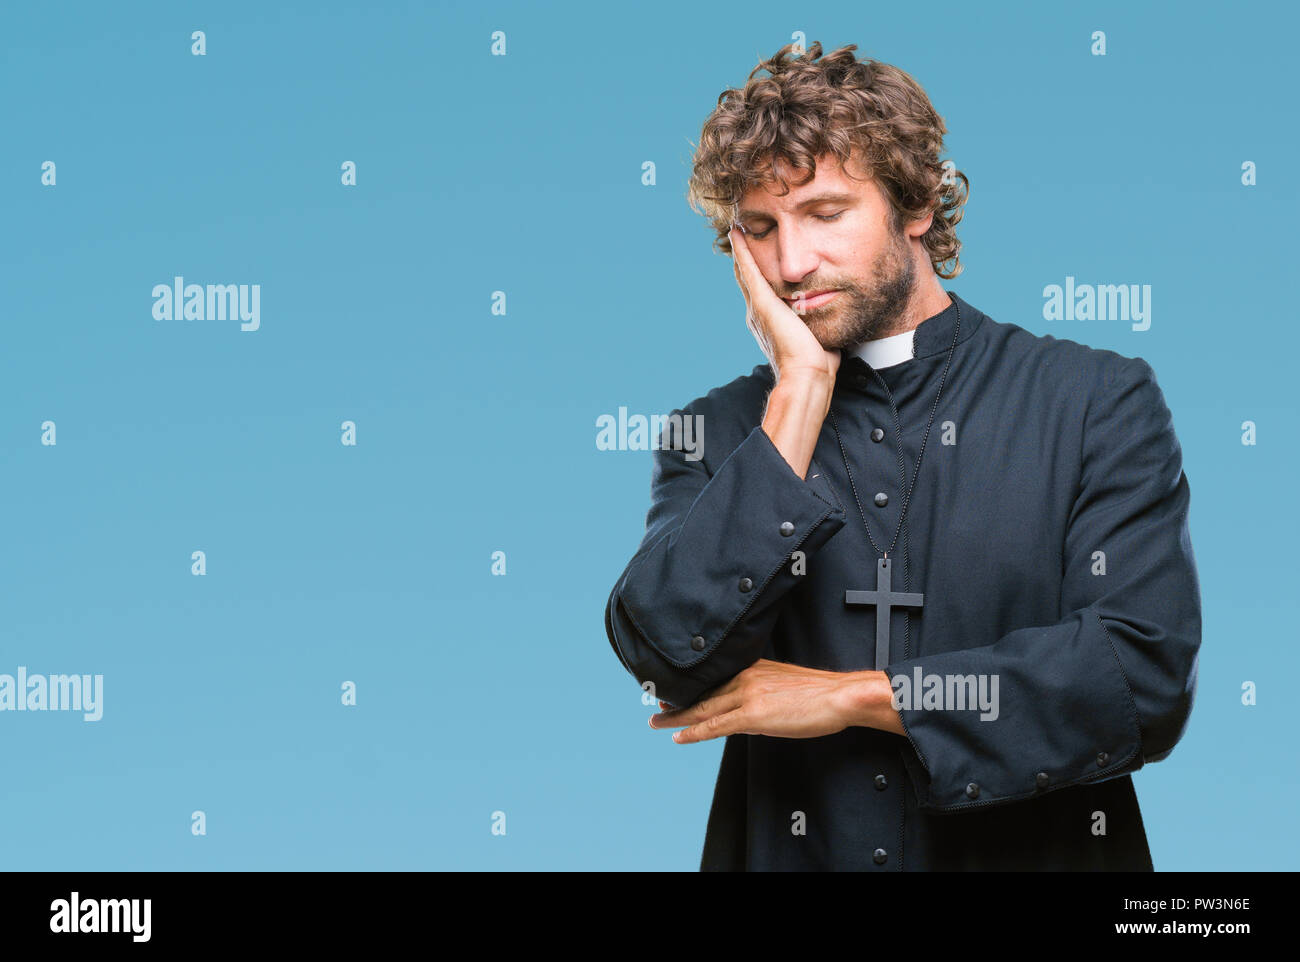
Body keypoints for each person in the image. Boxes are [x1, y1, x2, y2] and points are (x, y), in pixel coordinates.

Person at [602, 41, 1201, 871]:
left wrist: (860, 696)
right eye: (761, 229)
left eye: (825, 212)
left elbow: (1140, 673)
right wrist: (799, 395)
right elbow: (666, 654)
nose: (791, 263)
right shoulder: (717, 430)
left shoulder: (1096, 400)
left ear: (915, 206)